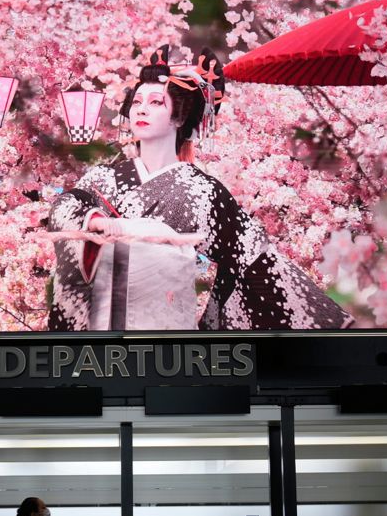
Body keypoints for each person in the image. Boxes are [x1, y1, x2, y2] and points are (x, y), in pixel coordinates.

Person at [46, 44, 354, 332]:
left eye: (156, 103)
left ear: (179, 116)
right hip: (99, 327)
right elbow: (63, 208)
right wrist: (98, 222)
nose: (141, 110)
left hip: (166, 330)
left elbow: (252, 256)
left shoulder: (202, 191)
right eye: (137, 102)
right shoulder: (103, 178)